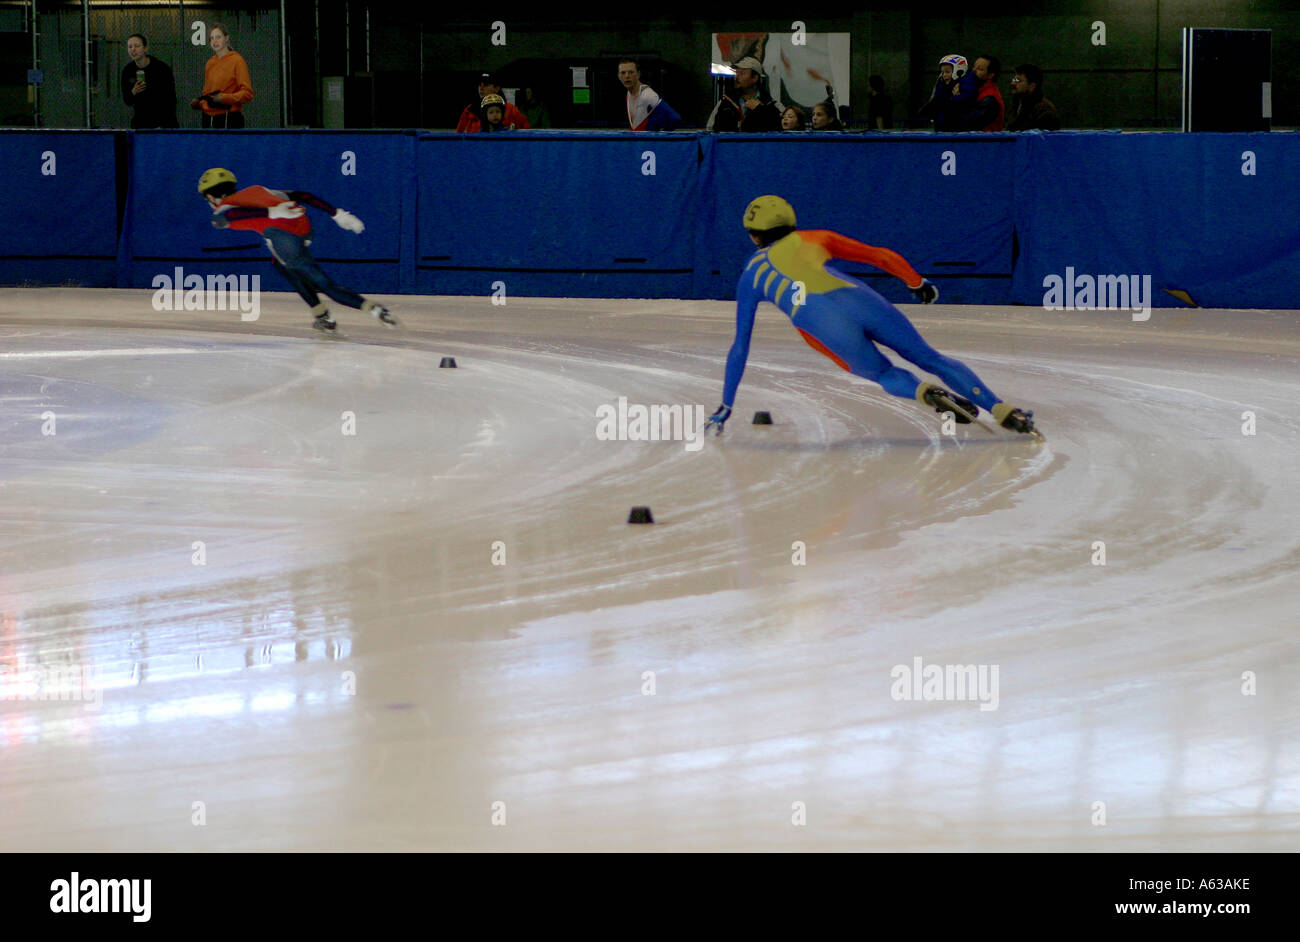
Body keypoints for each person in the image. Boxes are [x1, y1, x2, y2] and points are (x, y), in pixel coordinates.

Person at [704, 195, 1039, 439]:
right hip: (860, 299)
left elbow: (740, 347)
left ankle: (924, 392)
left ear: (754, 235)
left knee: (884, 373)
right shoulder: (816, 237)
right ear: (792, 222)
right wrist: (916, 282)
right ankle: (1001, 408)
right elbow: (879, 256)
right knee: (931, 358)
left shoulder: (750, 275)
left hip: (821, 324)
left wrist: (726, 404)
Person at [197, 167, 398, 332]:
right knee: (280, 264)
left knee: (325, 284)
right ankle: (320, 314)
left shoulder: (222, 208)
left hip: (284, 237)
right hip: (304, 228)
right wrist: (336, 214)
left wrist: (271, 213)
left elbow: (227, 217)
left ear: (210, 196)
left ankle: (374, 310)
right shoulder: (259, 190)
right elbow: (303, 195)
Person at [190, 23, 253, 128]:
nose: (215, 41)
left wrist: (224, 98)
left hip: (229, 118)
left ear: (226, 38)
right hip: (208, 119)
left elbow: (247, 93)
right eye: (212, 38)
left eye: (218, 37)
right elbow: (207, 93)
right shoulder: (210, 63)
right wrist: (199, 102)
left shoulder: (237, 61)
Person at [706, 56, 782, 132]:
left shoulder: (770, 104)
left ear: (755, 78)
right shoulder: (726, 101)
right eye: (736, 73)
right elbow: (710, 129)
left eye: (742, 73)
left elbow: (781, 129)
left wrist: (760, 110)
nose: (737, 77)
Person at [121, 34, 178, 128]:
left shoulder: (161, 68)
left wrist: (164, 124)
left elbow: (171, 99)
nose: (133, 49)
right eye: (130, 47)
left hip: (163, 121)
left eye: (137, 46)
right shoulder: (128, 71)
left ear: (145, 48)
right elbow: (127, 100)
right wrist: (133, 92)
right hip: (141, 121)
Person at [619, 58, 683, 131]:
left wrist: (656, 136)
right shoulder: (629, 94)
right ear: (618, 75)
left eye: (631, 72)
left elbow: (674, 118)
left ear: (638, 74)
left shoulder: (648, 95)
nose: (627, 76)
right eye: (623, 73)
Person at [919, 54, 978, 131]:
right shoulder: (942, 84)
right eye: (942, 72)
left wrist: (956, 98)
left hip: (959, 131)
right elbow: (935, 101)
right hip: (942, 129)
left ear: (958, 71)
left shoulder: (967, 84)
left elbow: (965, 103)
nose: (944, 75)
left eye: (947, 72)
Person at [455, 73, 530, 132]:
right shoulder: (469, 110)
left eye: (486, 85)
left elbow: (525, 133)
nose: (481, 88)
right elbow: (458, 136)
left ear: (496, 88)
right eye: (479, 85)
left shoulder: (511, 110)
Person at [1006, 64, 1061, 131]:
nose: (1013, 83)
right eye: (1014, 79)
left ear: (1032, 86)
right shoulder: (1018, 104)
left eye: (1018, 80)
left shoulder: (1044, 111)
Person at [959, 56, 1004, 131]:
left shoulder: (990, 99)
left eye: (980, 69)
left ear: (990, 75)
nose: (973, 70)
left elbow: (969, 123)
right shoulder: (977, 91)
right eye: (974, 66)